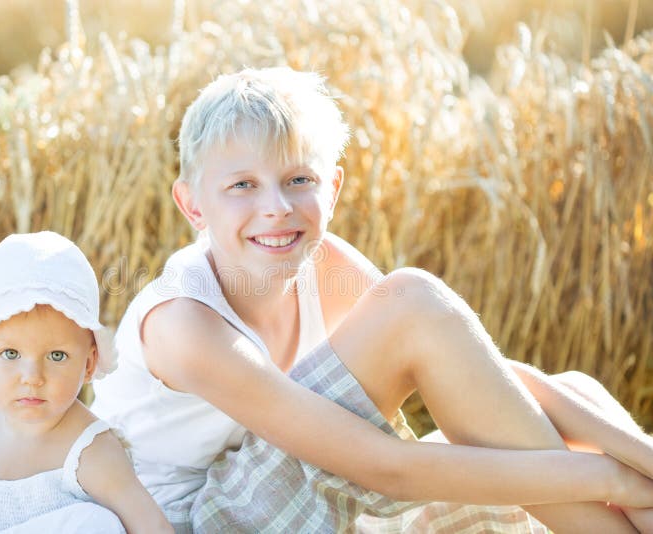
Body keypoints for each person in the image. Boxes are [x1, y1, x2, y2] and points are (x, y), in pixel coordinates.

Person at [91, 67, 653, 533]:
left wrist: (640, 463)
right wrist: (609, 478)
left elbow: (473, 365)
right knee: (413, 299)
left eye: (297, 180)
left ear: (331, 190)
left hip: (289, 496)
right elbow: (392, 471)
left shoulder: (323, 263)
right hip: (194, 519)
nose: (277, 207)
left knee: (577, 392)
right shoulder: (185, 323)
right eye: (242, 185)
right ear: (192, 205)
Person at [0, 232, 173, 534]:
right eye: (10, 353)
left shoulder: (91, 451)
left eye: (56, 355)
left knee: (96, 524)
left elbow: (151, 526)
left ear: (88, 364)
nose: (33, 377)